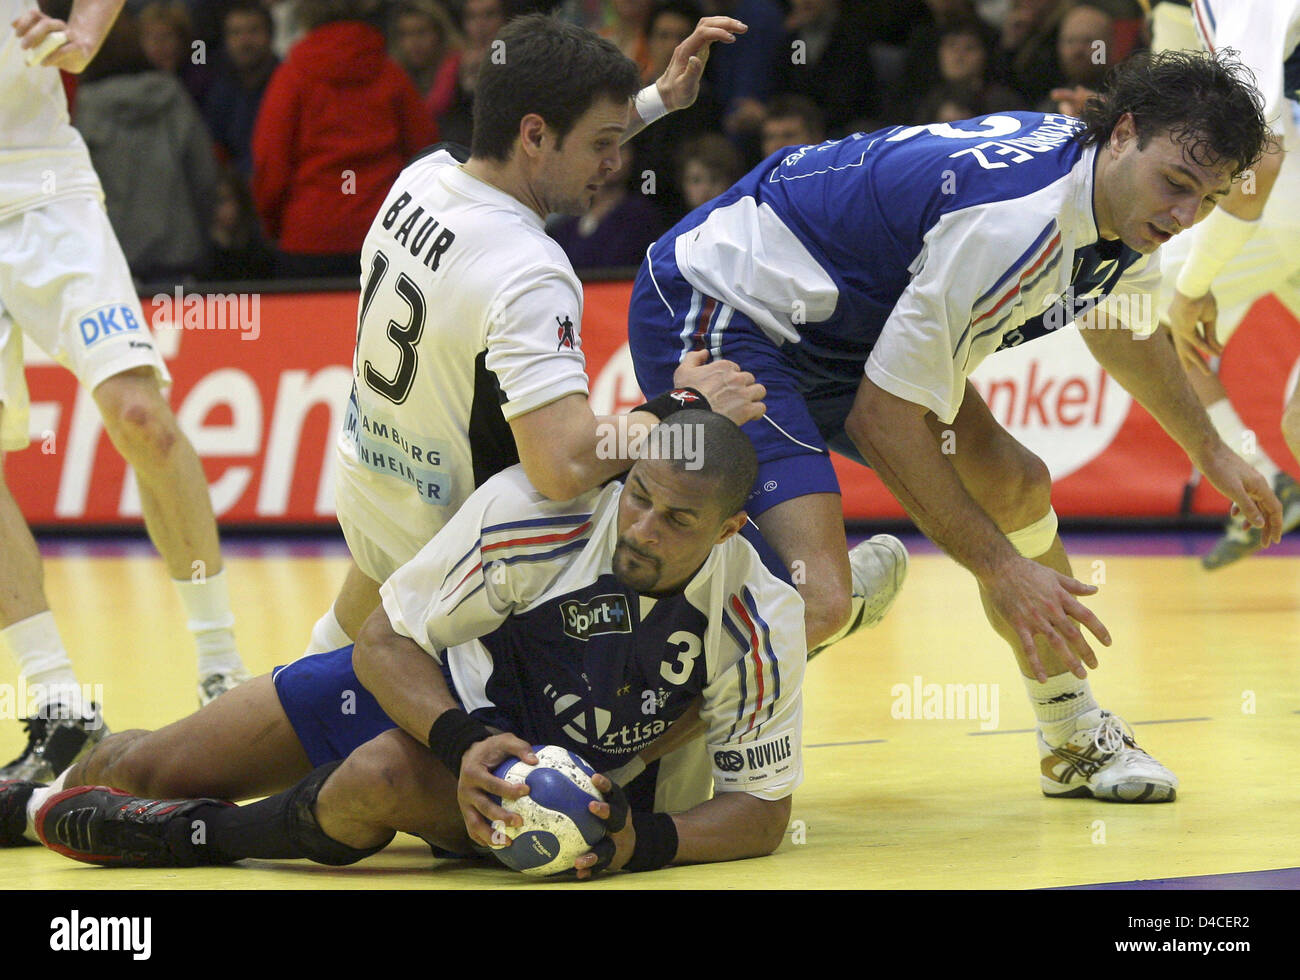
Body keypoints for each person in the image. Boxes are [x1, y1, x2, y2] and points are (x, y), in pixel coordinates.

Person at [627, 48, 1282, 802]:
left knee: (1014, 482)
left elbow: (1123, 323)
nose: (1183, 217)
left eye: (1205, 200)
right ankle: (613, 758)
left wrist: (1211, 448)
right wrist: (1001, 571)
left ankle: (1072, 737)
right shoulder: (1010, 223)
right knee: (818, 599)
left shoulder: (1116, 198)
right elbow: (883, 422)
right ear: (1126, 132)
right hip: (731, 301)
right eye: (1176, 185)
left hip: (847, 319)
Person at [297, 12, 908, 671]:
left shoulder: (417, 182)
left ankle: (313, 663)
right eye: (601, 144)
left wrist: (657, 101)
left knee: (316, 684)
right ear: (535, 133)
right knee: (676, 497)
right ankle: (802, 614)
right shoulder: (530, 269)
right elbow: (561, 465)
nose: (615, 164)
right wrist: (680, 406)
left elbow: (544, 157)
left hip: (370, 507)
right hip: (459, 567)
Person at [4, 415, 805, 877]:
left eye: (677, 522)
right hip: (432, 693)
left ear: (730, 530)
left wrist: (644, 842)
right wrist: (461, 738)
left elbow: (764, 814)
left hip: (542, 791)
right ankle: (35, 802)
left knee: (380, 776)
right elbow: (384, 639)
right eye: (638, 497)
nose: (641, 528)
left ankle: (187, 836)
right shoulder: (534, 514)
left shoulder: (761, 615)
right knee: (135, 768)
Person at [2, 0, 250, 783]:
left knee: (143, 419)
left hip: (41, 180)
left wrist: (84, 32)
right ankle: (59, 706)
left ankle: (223, 673)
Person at [250, 0, 438, 278]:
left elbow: (269, 164)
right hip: (384, 236)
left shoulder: (291, 76)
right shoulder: (391, 74)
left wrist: (275, 225)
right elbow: (429, 157)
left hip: (308, 237)